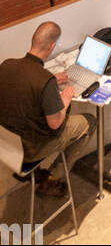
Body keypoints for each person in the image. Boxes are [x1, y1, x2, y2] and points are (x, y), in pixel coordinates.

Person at [0, 21, 94, 198]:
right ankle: (52, 178)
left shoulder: (7, 64)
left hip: (6, 145)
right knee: (90, 122)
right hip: (29, 150)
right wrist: (65, 98)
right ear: (52, 46)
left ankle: (42, 174)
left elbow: (24, 82)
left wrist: (49, 79)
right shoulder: (44, 81)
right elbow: (55, 123)